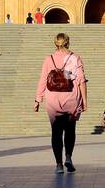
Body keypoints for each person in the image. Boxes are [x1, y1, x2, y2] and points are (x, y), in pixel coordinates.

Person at [35, 32, 87, 172]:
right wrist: (85, 102)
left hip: (53, 100)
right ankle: (68, 158)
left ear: (55, 44)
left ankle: (58, 165)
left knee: (56, 132)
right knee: (70, 130)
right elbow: (81, 80)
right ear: (68, 43)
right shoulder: (75, 58)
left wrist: (38, 99)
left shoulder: (49, 59)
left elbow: (43, 80)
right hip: (71, 99)